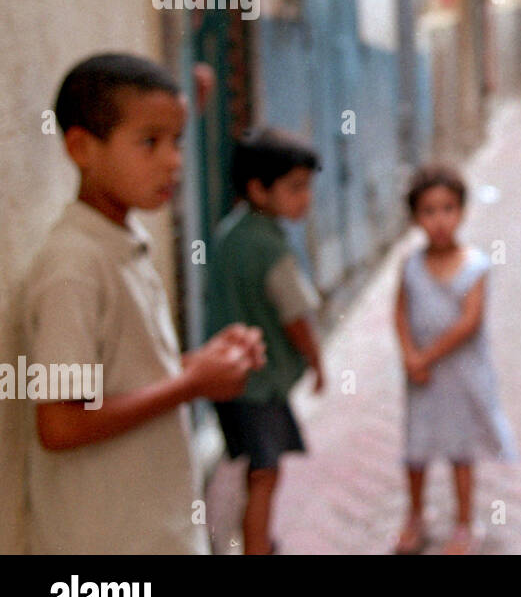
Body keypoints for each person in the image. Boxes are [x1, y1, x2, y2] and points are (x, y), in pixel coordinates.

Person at [7, 52, 265, 554]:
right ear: (81, 147)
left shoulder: (119, 238)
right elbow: (61, 422)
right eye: (149, 142)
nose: (173, 161)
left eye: (176, 141)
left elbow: (128, 378)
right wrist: (191, 382)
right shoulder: (73, 267)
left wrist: (203, 363)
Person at [205, 126, 324, 555]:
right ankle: (257, 546)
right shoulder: (271, 247)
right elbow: (295, 315)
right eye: (295, 188)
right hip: (260, 383)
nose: (305, 198)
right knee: (265, 473)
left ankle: (249, 539)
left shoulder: (229, 235)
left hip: (228, 379)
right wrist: (317, 360)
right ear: (258, 189)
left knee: (249, 467)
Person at [394, 164, 516, 555]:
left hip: (461, 375)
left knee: (461, 449)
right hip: (422, 377)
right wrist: (409, 355)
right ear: (415, 217)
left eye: (448, 208)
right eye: (429, 211)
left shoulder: (475, 265)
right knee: (417, 447)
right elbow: (399, 311)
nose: (440, 220)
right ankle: (415, 516)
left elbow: (469, 322)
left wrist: (424, 355)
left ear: (461, 211)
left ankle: (464, 523)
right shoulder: (411, 265)